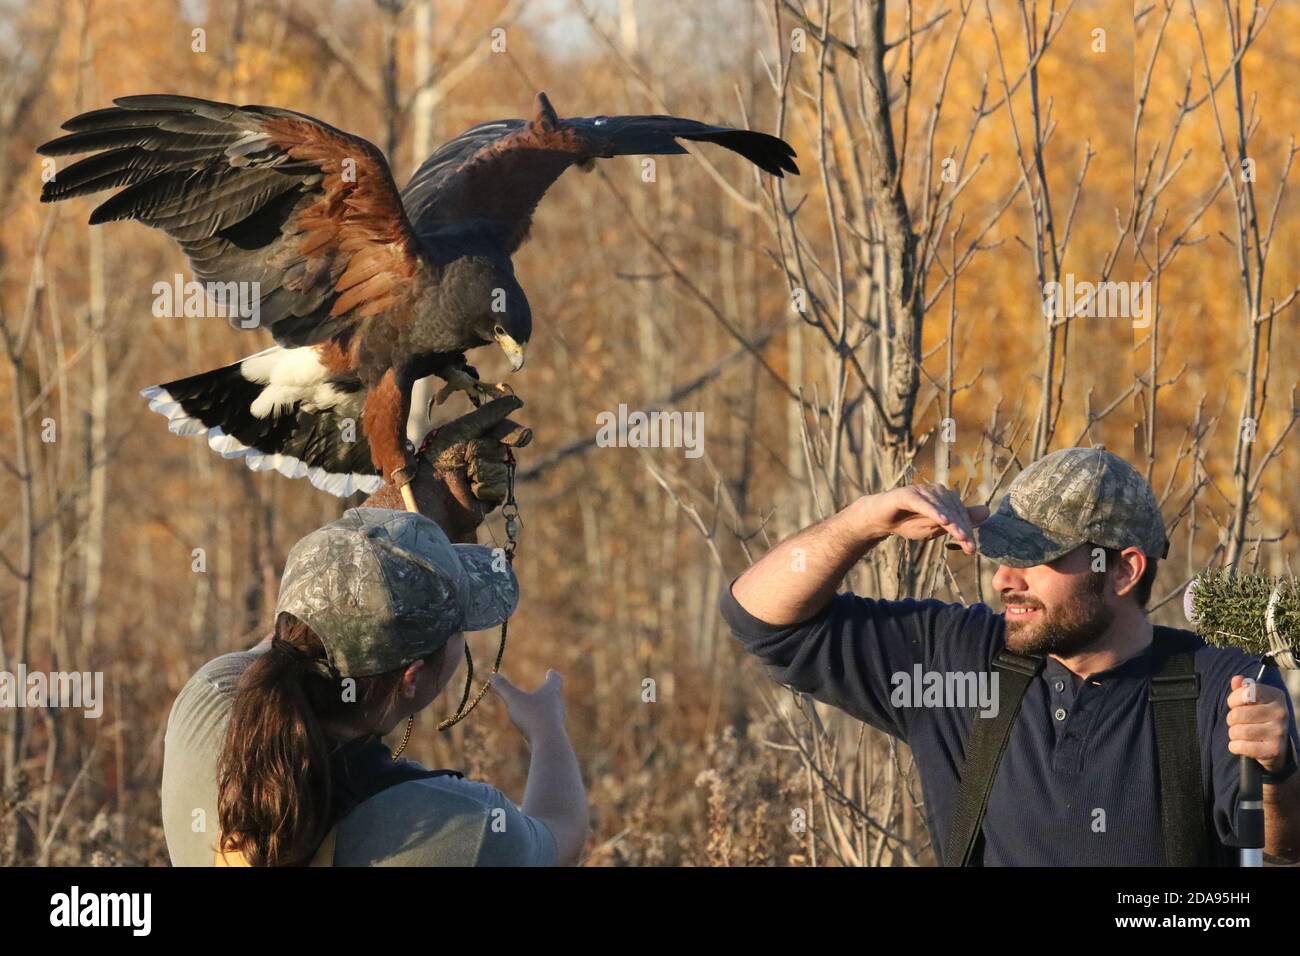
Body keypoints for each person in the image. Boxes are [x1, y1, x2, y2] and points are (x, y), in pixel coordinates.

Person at [721, 446, 1300, 865]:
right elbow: (760, 616)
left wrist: (1277, 773)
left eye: (1034, 557)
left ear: (1123, 569)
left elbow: (1280, 846)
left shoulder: (1222, 685)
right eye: (1002, 554)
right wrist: (863, 521)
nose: (1003, 580)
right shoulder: (958, 662)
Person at [161, 399, 589, 866]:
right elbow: (561, 834)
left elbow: (303, 628)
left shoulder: (207, 701)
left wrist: (420, 492)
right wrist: (547, 729)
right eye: (458, 625)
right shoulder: (457, 827)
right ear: (412, 677)